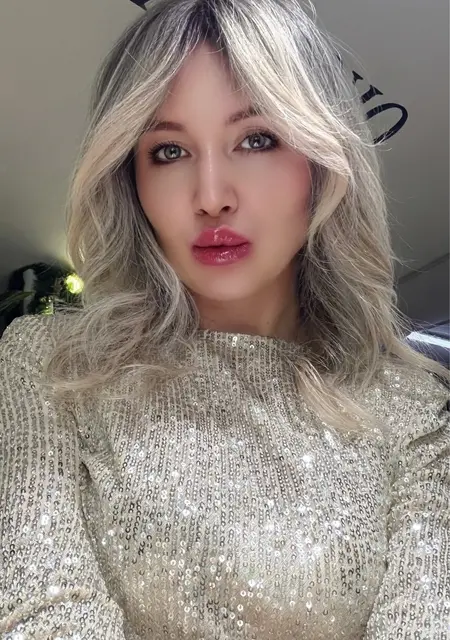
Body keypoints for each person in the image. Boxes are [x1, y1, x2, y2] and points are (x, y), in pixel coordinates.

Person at [0, 0, 449, 637]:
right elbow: (40, 617)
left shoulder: (412, 411)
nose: (212, 196)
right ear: (130, 179)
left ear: (323, 165)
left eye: (256, 139)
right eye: (168, 151)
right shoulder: (53, 367)